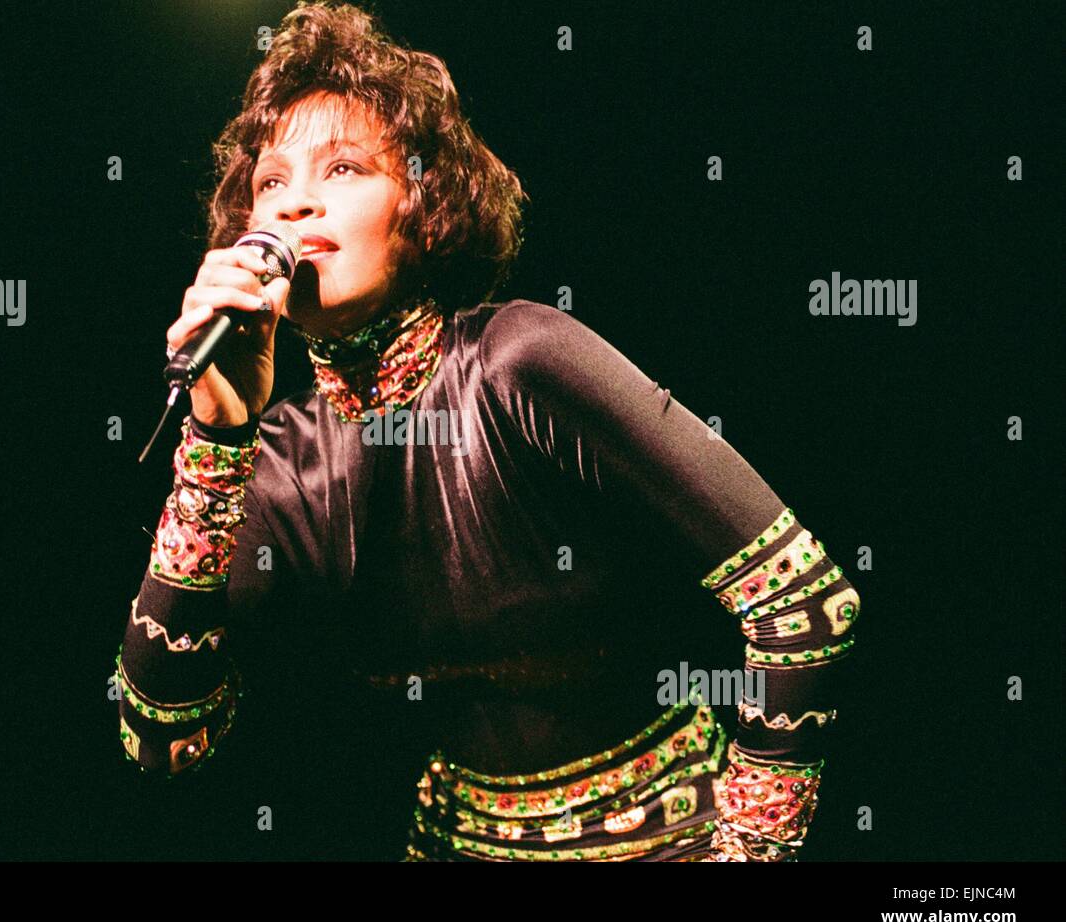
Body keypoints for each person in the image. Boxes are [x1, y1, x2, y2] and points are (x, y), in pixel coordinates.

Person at [114, 1, 861, 862]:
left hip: (671, 838)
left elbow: (807, 604)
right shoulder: (281, 456)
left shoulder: (521, 359)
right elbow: (160, 737)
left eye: (344, 167)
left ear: (422, 202)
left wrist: (745, 853)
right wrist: (215, 440)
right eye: (272, 182)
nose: (295, 204)